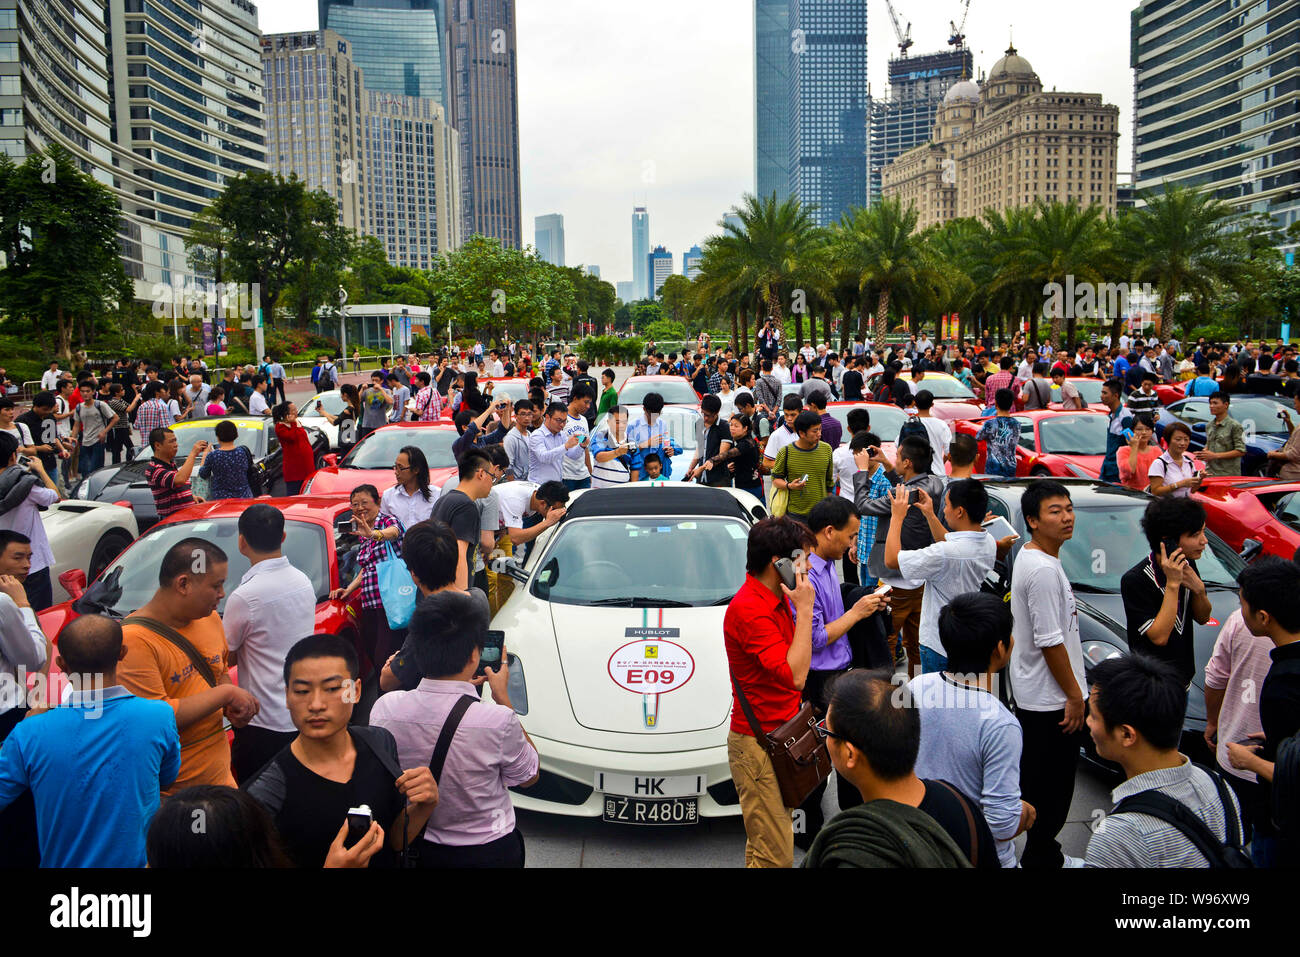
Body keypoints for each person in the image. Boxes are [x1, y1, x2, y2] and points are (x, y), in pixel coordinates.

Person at [371, 590, 538, 867]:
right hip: (487, 850)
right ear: (475, 655)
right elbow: (529, 775)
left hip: (416, 846)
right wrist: (503, 700)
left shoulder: (384, 709)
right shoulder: (498, 720)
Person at [0, 615, 181, 867]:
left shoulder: (29, 733)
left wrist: (24, 725)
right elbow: (167, 777)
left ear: (62, 664)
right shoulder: (159, 716)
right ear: (122, 653)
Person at [244, 634, 439, 868]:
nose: (316, 704)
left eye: (332, 688)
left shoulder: (380, 744)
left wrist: (424, 805)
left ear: (356, 691)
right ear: (286, 696)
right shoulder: (264, 796)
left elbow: (394, 841)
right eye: (302, 691)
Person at [804, 671, 995, 869]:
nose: (823, 736)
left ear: (850, 754)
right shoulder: (959, 802)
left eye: (825, 729)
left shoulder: (852, 853)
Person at [118, 538, 258, 793]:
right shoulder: (133, 641)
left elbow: (219, 673)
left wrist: (230, 706)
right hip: (175, 798)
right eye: (216, 585)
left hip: (222, 783)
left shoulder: (210, 618)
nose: (222, 594)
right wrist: (226, 694)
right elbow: (157, 717)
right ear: (183, 584)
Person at [793, 496, 892, 845]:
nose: (853, 544)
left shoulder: (826, 564)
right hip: (819, 681)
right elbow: (816, 637)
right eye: (850, 537)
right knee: (814, 761)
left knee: (851, 757)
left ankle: (853, 825)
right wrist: (860, 610)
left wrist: (863, 600)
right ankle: (807, 834)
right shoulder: (803, 570)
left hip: (842, 673)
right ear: (828, 531)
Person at [1084, 654, 1245, 867]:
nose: (1088, 722)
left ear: (1127, 735)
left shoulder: (1120, 835)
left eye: (1094, 716)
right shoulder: (1218, 785)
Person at [911, 592, 1032, 868]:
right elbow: (1001, 824)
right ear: (1000, 649)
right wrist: (1024, 814)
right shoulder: (1000, 724)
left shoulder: (916, 688)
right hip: (977, 856)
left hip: (921, 842)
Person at [725, 517, 815, 868]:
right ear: (778, 562)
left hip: (780, 737)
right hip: (759, 746)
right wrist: (805, 610)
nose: (807, 567)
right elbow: (796, 675)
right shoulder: (750, 608)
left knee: (764, 847)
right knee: (776, 857)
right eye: (802, 559)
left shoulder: (777, 598)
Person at [1010, 480, 1087, 868]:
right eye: (1055, 511)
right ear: (1033, 521)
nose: (1067, 517)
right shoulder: (1042, 569)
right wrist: (1074, 696)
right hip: (1050, 699)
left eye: (1069, 508)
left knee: (1041, 782)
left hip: (1040, 692)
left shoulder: (1034, 555)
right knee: (1053, 789)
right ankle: (1040, 857)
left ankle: (1043, 853)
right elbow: (1050, 640)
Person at [223, 505, 317, 784]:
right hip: (298, 712)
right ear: (283, 536)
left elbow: (225, 656)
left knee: (257, 802)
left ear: (242, 542)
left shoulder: (245, 596)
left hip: (261, 722)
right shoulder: (303, 581)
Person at [1225, 557, 1300, 867]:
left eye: (1243, 604)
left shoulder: (1286, 681)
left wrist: (1250, 761)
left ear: (1264, 616)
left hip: (1284, 828)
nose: (1241, 614)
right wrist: (1282, 738)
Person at [886, 478, 998, 674]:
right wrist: (929, 514)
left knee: (937, 701)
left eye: (946, 505)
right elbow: (950, 542)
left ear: (960, 511)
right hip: (966, 639)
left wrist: (896, 517)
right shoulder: (988, 541)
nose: (944, 510)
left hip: (937, 645)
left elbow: (892, 560)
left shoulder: (944, 554)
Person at [1121, 496, 1214, 690]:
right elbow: (1159, 637)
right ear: (1168, 540)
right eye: (1196, 534)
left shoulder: (1187, 565)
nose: (1204, 541)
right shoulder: (1136, 580)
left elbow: (1203, 617)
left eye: (1203, 532)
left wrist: (1199, 590)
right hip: (1152, 686)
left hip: (1183, 681)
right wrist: (1173, 584)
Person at [1204, 608, 1274, 860]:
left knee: (1230, 843)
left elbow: (1215, 677)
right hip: (1277, 768)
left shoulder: (1240, 619)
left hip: (1235, 754)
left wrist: (1213, 722)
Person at [330, 485, 405, 677]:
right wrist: (348, 589)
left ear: (377, 502)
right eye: (355, 504)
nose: (360, 508)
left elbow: (395, 532)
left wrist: (373, 534)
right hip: (369, 604)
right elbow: (367, 568)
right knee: (371, 652)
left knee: (384, 658)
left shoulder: (387, 521)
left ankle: (388, 699)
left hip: (389, 603)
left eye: (365, 503)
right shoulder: (364, 530)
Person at [0, 433, 60, 611]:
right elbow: (55, 496)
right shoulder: (26, 485)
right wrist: (40, 469)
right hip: (31, 565)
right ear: (13, 456)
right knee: (38, 616)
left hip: (3, 566)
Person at [430, 448, 498, 591]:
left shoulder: (444, 500)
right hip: (454, 592)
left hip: (437, 585)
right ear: (481, 474)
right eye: (492, 477)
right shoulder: (466, 507)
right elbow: (459, 553)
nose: (492, 483)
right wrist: (462, 596)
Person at [770, 411, 834, 523]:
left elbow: (829, 482)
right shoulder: (786, 452)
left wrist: (829, 507)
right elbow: (775, 480)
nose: (819, 434)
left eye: (820, 429)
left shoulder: (826, 449)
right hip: (796, 515)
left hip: (821, 514)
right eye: (815, 431)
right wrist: (790, 486)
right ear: (802, 433)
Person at [145, 426, 207, 520]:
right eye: (171, 441)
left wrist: (191, 497)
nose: (176, 445)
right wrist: (193, 453)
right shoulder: (154, 469)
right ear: (157, 445)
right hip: (172, 521)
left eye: (175, 441)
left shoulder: (171, 464)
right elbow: (179, 480)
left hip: (185, 517)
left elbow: (175, 488)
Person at [527, 401, 584, 485]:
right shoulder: (537, 435)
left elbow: (573, 455)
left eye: (564, 421)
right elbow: (544, 458)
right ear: (547, 417)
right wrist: (566, 446)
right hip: (539, 486)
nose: (562, 425)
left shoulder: (562, 435)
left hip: (557, 485)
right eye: (558, 420)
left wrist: (582, 446)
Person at [381, 445, 438, 528]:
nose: (396, 472)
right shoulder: (388, 496)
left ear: (416, 470)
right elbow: (383, 526)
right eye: (395, 467)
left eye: (400, 468)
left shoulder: (437, 495)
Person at [69, 381, 119, 477]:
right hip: (84, 441)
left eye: (88, 391)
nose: (85, 394)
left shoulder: (100, 405)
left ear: (93, 392)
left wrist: (104, 432)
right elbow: (76, 425)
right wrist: (73, 439)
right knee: (85, 470)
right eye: (82, 391)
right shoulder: (79, 407)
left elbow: (115, 418)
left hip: (98, 441)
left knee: (95, 470)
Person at [197, 419, 256, 500]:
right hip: (245, 497)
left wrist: (205, 455)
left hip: (222, 499)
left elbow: (203, 474)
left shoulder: (213, 456)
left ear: (218, 437)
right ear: (236, 434)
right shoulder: (243, 452)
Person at [1148, 421, 1202, 497]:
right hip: (1166, 506)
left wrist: (1199, 480)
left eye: (1186, 439)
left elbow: (1192, 490)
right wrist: (1180, 484)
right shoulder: (1159, 463)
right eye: (1178, 439)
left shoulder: (1189, 462)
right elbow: (1155, 491)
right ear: (1168, 440)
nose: (1182, 443)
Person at [272, 402, 316, 496]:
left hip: (306, 466)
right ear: (286, 414)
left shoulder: (296, 422)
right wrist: (293, 424)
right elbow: (292, 437)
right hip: (295, 469)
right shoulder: (280, 427)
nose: (296, 411)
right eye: (293, 410)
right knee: (295, 494)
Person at [975, 389, 1020, 479]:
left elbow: (978, 437)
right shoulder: (1017, 424)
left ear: (996, 404)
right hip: (1011, 466)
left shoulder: (990, 424)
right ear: (1011, 404)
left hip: (993, 467)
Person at [1099, 378, 1136, 484]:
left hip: (1117, 472)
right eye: (1102, 392)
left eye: (1105, 393)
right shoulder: (1112, 415)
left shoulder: (1125, 417)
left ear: (1115, 395)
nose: (1102, 396)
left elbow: (1131, 444)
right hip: (1107, 468)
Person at [1200, 391, 1246, 477]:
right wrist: (1204, 453)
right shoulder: (1209, 425)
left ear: (1226, 405)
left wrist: (1215, 455)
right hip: (1210, 473)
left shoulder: (1235, 426)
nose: (1211, 406)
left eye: (1215, 403)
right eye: (1210, 403)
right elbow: (1209, 444)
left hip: (1227, 475)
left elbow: (1241, 451)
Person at [589, 405, 636, 488]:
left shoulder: (631, 442)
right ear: (608, 422)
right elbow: (599, 457)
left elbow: (635, 468)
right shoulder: (601, 436)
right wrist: (617, 452)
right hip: (599, 491)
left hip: (622, 492)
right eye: (617, 422)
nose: (621, 425)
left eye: (624, 422)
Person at [559, 386, 595, 491]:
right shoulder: (561, 419)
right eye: (586, 402)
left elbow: (585, 448)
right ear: (575, 399)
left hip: (583, 476)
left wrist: (590, 472)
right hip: (566, 476)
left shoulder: (584, 420)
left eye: (590, 403)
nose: (588, 406)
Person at [1116, 415, 1162, 491]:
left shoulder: (1157, 451)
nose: (1144, 432)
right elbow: (1129, 471)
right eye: (1139, 429)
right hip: (1133, 495)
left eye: (1148, 429)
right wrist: (1134, 447)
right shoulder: (1123, 451)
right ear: (1132, 431)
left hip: (1153, 494)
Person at [912, 391, 951, 476]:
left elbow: (899, 446)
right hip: (938, 473)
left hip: (916, 476)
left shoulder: (910, 424)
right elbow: (949, 452)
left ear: (915, 403)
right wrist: (941, 462)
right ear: (932, 404)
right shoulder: (942, 425)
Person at [1265, 389, 1300, 480]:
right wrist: (1288, 422)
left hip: (1293, 477)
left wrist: (1273, 454)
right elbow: (1295, 438)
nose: (1294, 407)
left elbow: (1293, 455)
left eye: (1296, 403)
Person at [359, 372, 392, 442]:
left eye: (376, 380)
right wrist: (362, 389)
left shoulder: (386, 391)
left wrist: (381, 389)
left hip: (380, 424)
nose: (374, 382)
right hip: (367, 424)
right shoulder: (367, 391)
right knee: (366, 445)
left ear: (382, 381)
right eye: (372, 380)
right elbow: (357, 400)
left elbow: (390, 401)